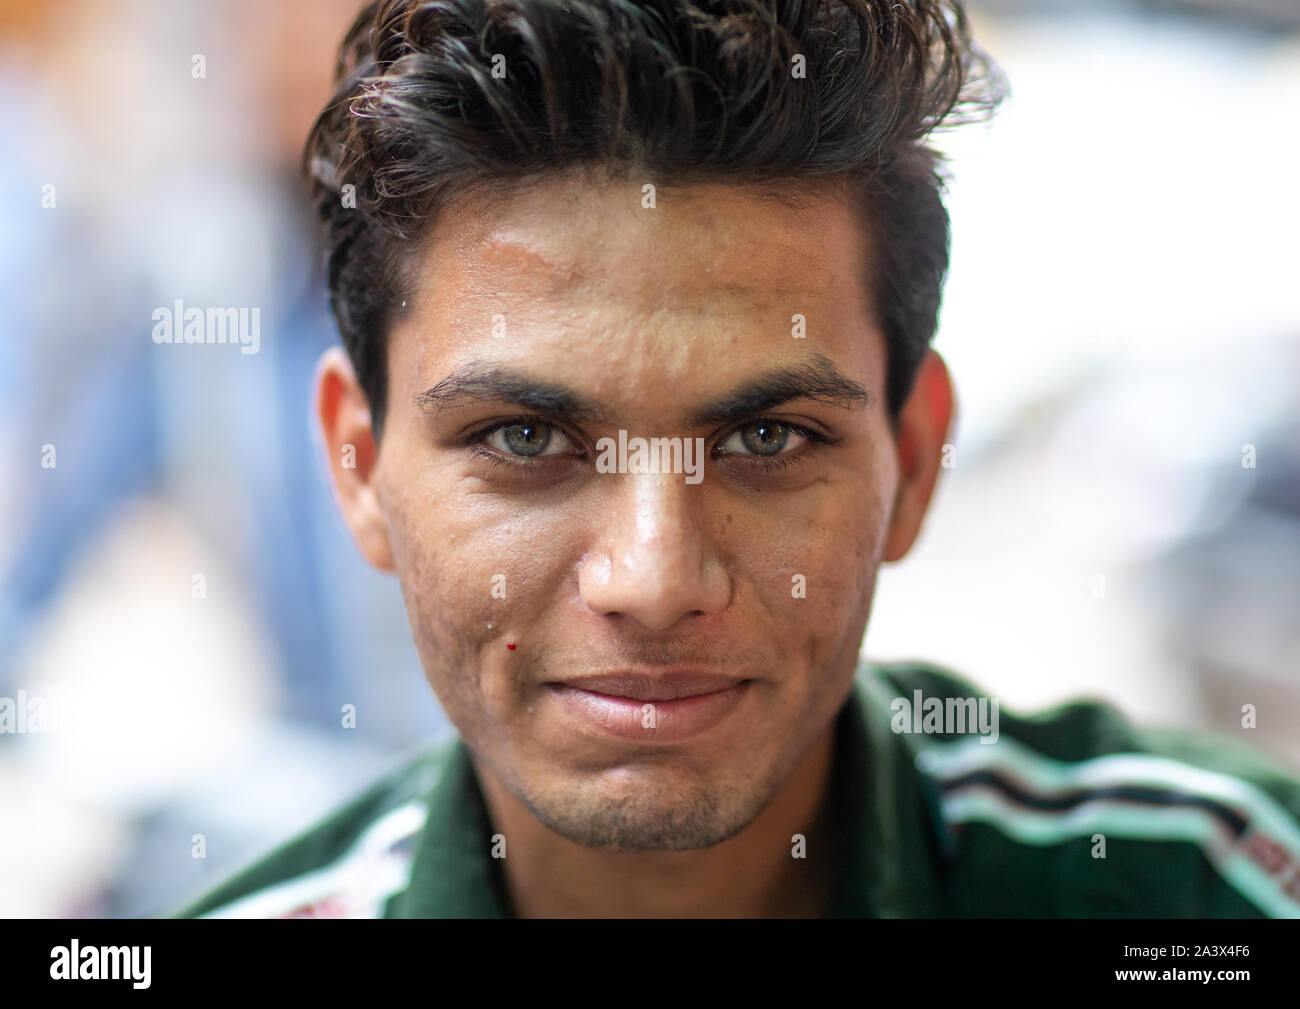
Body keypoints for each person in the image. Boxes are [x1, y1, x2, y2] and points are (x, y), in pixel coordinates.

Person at [171, 0, 1300, 918]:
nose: (655, 581)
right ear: (359, 467)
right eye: (525, 439)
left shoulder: (1217, 891)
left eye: (767, 438)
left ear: (910, 458)